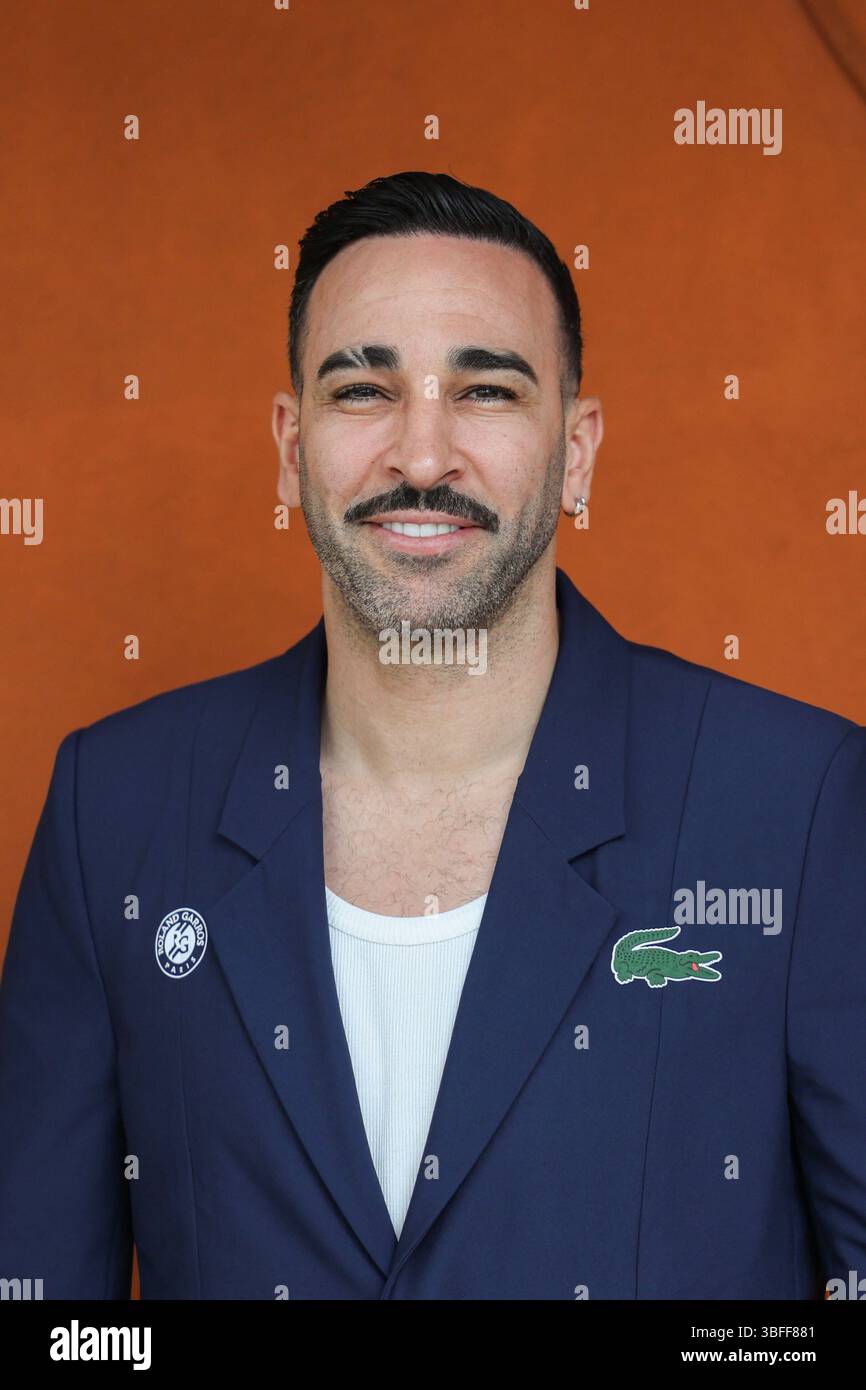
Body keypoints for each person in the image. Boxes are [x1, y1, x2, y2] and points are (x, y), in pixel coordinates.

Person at [1, 171, 864, 1301]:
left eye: (487, 393)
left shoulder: (796, 804)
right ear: (288, 441)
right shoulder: (109, 808)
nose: (420, 456)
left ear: (577, 447)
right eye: (361, 390)